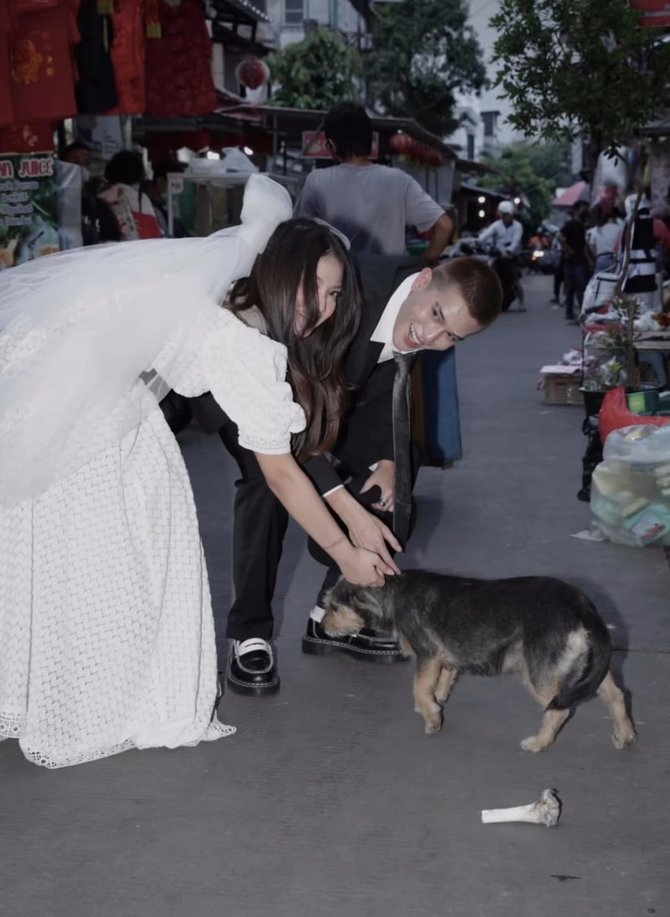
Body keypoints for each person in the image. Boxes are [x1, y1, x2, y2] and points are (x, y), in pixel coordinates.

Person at [0, 175, 399, 769]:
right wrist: (344, 554)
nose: (323, 306)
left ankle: (37, 688)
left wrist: (348, 515)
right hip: (69, 385)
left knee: (70, 531)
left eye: (335, 292)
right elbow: (280, 472)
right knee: (119, 531)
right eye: (312, 285)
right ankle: (81, 697)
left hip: (66, 370)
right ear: (278, 270)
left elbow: (287, 450)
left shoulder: (236, 296)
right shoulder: (241, 340)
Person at [194, 252, 502, 695]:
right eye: (437, 315)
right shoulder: (345, 300)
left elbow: (382, 383)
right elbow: (289, 434)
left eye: (451, 336)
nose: (433, 335)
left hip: (321, 398)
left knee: (397, 474)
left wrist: (387, 462)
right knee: (268, 483)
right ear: (423, 281)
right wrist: (345, 512)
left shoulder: (415, 311)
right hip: (252, 383)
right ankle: (249, 632)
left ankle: (332, 612)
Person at [293, 103, 454, 264]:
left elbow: (297, 235)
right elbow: (445, 225)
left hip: (342, 278)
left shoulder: (317, 181)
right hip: (391, 278)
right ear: (370, 141)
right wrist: (422, 266)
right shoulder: (399, 180)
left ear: (332, 145)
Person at [61, 141, 121, 245]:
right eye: (75, 163)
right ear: (63, 166)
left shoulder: (97, 205)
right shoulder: (54, 204)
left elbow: (111, 238)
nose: (81, 168)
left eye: (86, 163)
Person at [98, 149, 163, 240]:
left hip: (109, 245)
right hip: (138, 245)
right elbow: (153, 229)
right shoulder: (140, 197)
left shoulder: (102, 197)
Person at [477, 201, 524, 311]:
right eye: (503, 214)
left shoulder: (518, 226)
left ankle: (521, 302)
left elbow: (516, 242)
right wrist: (476, 241)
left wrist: (509, 251)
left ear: (512, 215)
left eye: (507, 214)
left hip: (510, 256)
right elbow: (485, 235)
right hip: (497, 255)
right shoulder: (496, 225)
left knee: (515, 280)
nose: (505, 217)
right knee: (488, 273)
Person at [558, 201, 590, 323]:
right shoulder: (571, 224)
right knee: (577, 288)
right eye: (583, 209)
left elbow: (584, 245)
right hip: (573, 261)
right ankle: (576, 312)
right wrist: (568, 249)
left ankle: (574, 312)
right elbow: (560, 236)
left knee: (574, 288)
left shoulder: (582, 226)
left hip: (578, 260)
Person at [587, 204, 621, 274]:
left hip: (601, 258)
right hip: (615, 258)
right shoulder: (618, 229)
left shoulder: (596, 229)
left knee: (600, 279)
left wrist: (596, 257)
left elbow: (592, 247)